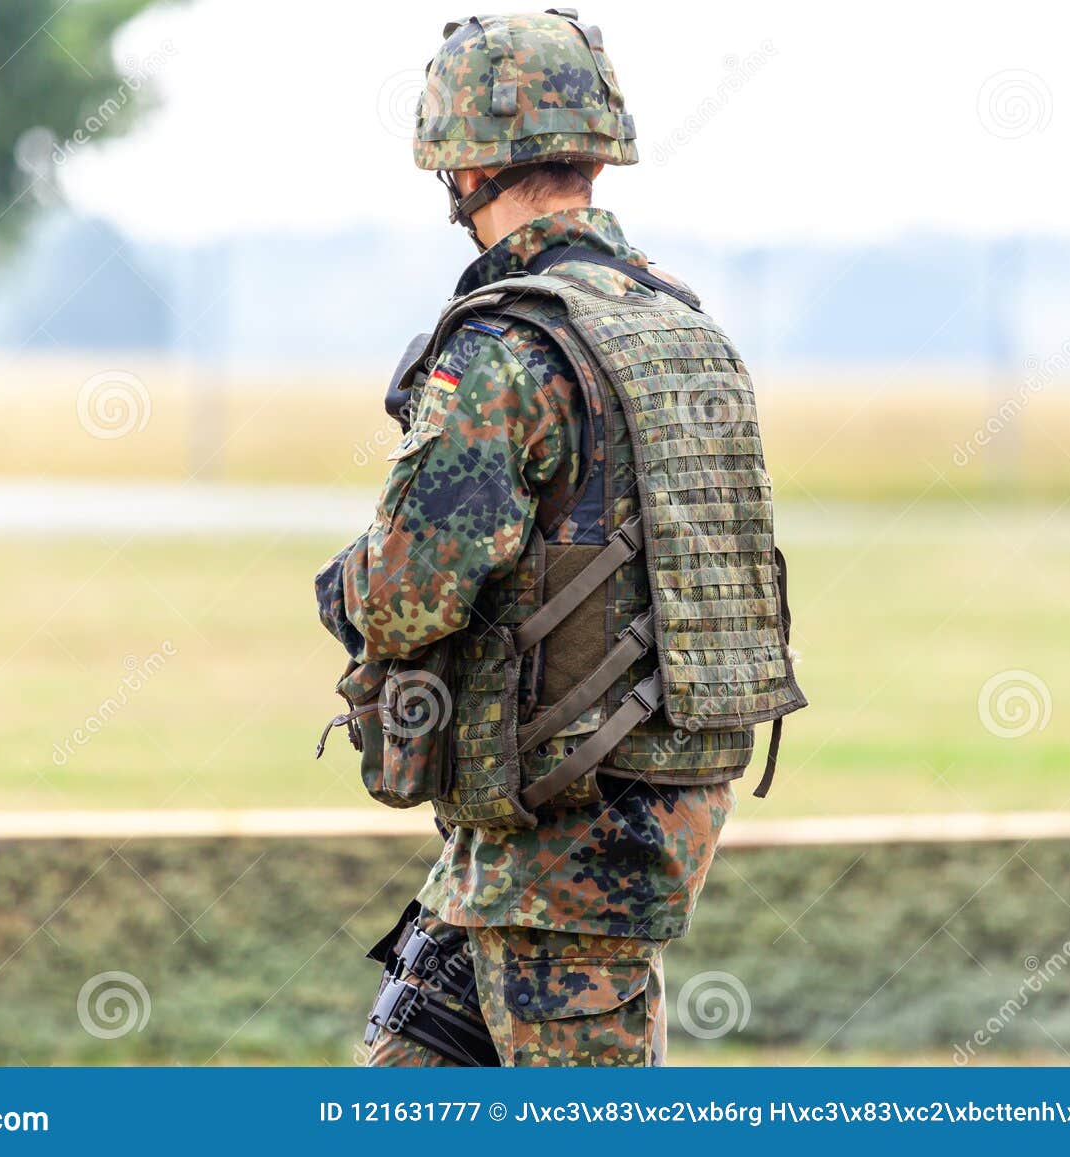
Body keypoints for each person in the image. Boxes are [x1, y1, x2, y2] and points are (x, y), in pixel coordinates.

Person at [315, 8, 804, 1068]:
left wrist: (343, 587)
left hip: (561, 848)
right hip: (599, 822)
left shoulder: (509, 346)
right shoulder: (680, 327)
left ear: (463, 164)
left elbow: (407, 596)